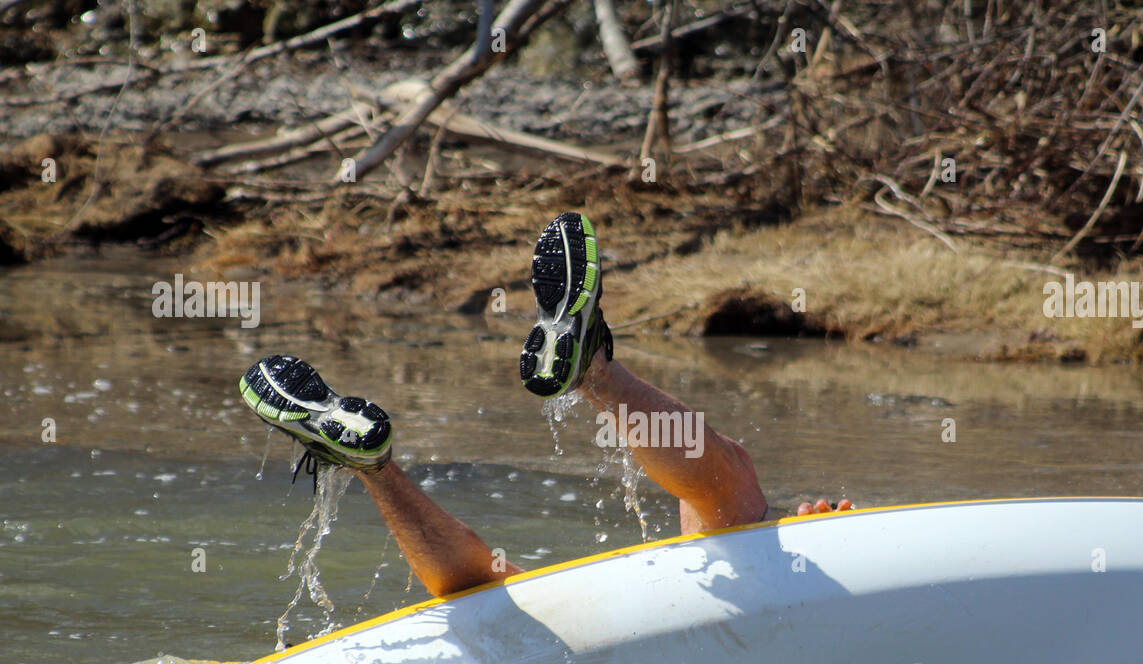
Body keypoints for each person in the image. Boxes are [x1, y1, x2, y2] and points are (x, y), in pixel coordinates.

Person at [238, 212, 851, 598]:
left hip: (624, 643)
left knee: (485, 590)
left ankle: (374, 466)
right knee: (731, 502)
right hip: (716, 642)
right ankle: (592, 370)